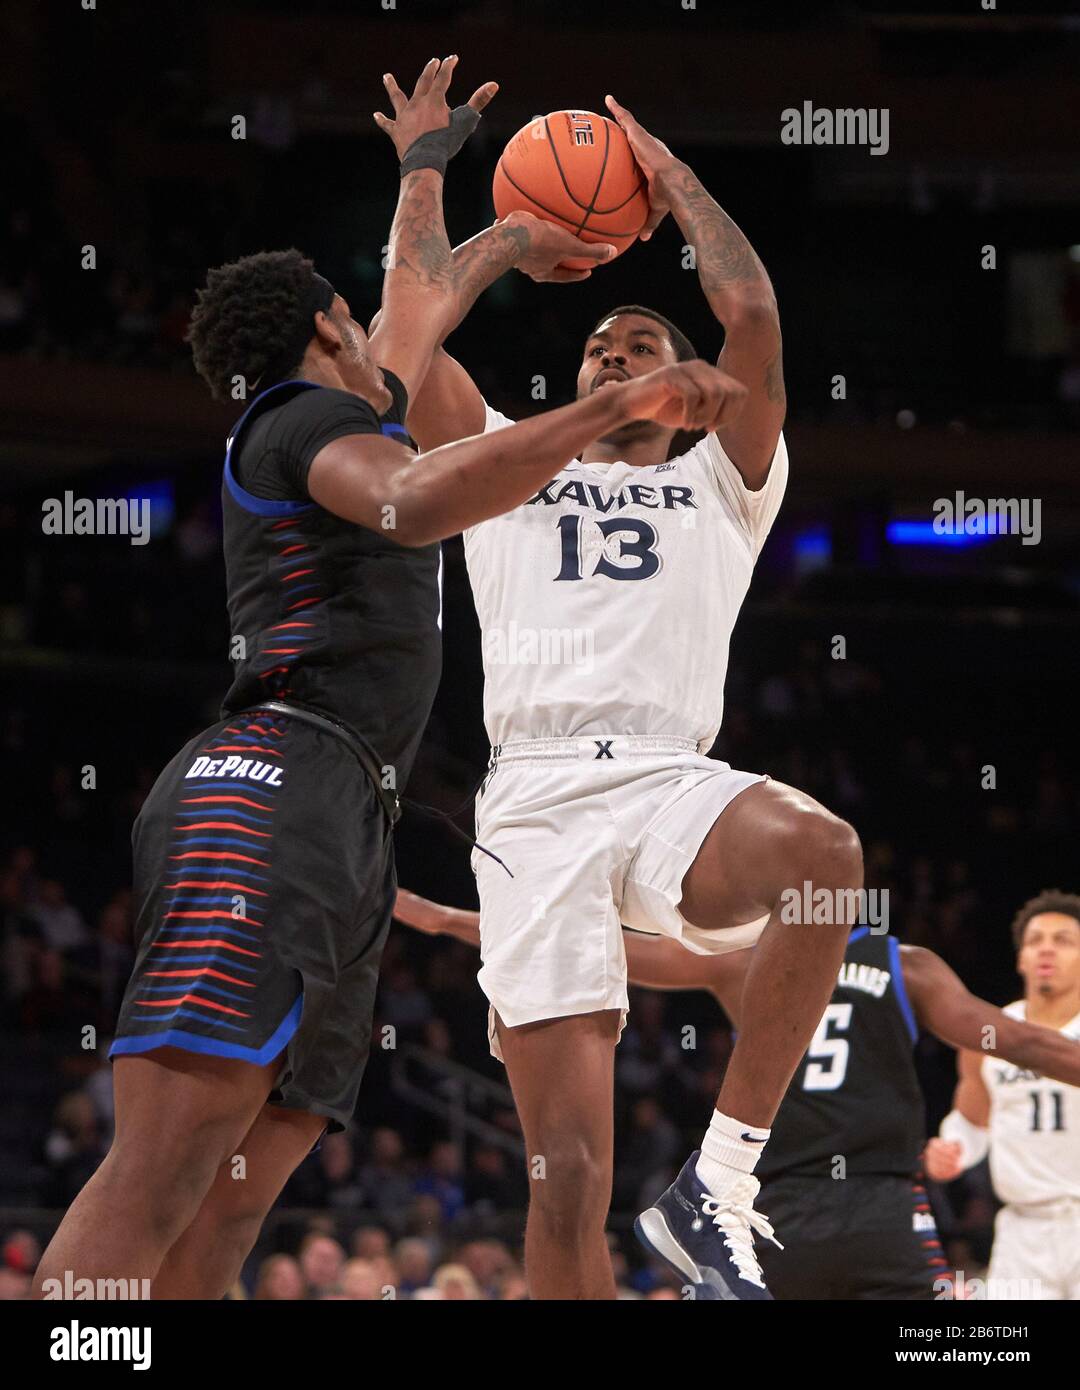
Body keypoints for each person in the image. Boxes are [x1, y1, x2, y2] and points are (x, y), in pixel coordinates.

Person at [32, 59, 742, 1301]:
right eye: (356, 321)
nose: (382, 326)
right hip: (266, 782)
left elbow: (421, 289)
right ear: (324, 333)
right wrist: (609, 409)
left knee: (240, 1192)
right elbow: (415, 505)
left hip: (342, 811)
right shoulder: (300, 421)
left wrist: (449, 186)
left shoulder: (366, 392)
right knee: (160, 1171)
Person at [401, 95, 861, 1301]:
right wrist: (475, 210)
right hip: (536, 799)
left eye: (641, 346)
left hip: (669, 775)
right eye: (599, 344)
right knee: (566, 1181)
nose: (612, 353)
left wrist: (672, 173)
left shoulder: (725, 481)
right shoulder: (511, 458)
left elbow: (752, 311)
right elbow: (408, 341)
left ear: (686, 383)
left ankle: (721, 1183)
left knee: (824, 853)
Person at [394, 888, 1080, 1298]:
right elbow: (1023, 1042)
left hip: (767, 1213)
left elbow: (611, 950)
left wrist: (453, 921)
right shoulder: (908, 967)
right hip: (882, 1210)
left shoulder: (745, 965)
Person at [925, 890, 1080, 1299]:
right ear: (1021, 959)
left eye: (1062, 940)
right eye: (1035, 941)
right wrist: (951, 1147)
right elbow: (974, 1121)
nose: (1046, 948)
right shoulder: (989, 1034)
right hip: (1022, 1230)